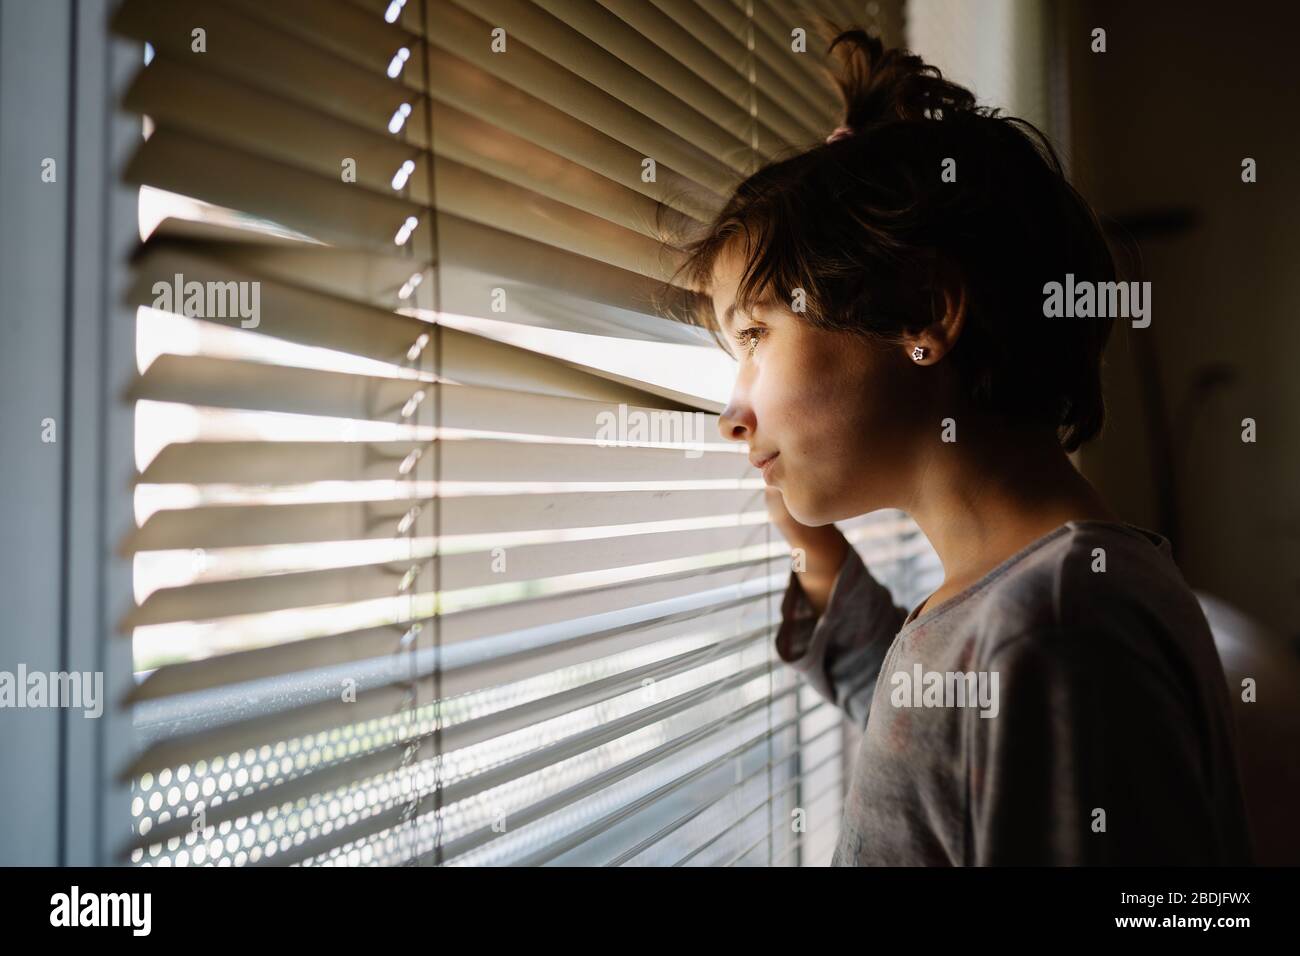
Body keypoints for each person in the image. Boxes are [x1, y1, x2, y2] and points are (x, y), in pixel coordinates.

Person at [662, 28, 1254, 865]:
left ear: (922, 315)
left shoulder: (1054, 631)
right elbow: (931, 745)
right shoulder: (1025, 608)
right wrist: (819, 560)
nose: (733, 412)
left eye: (757, 333)